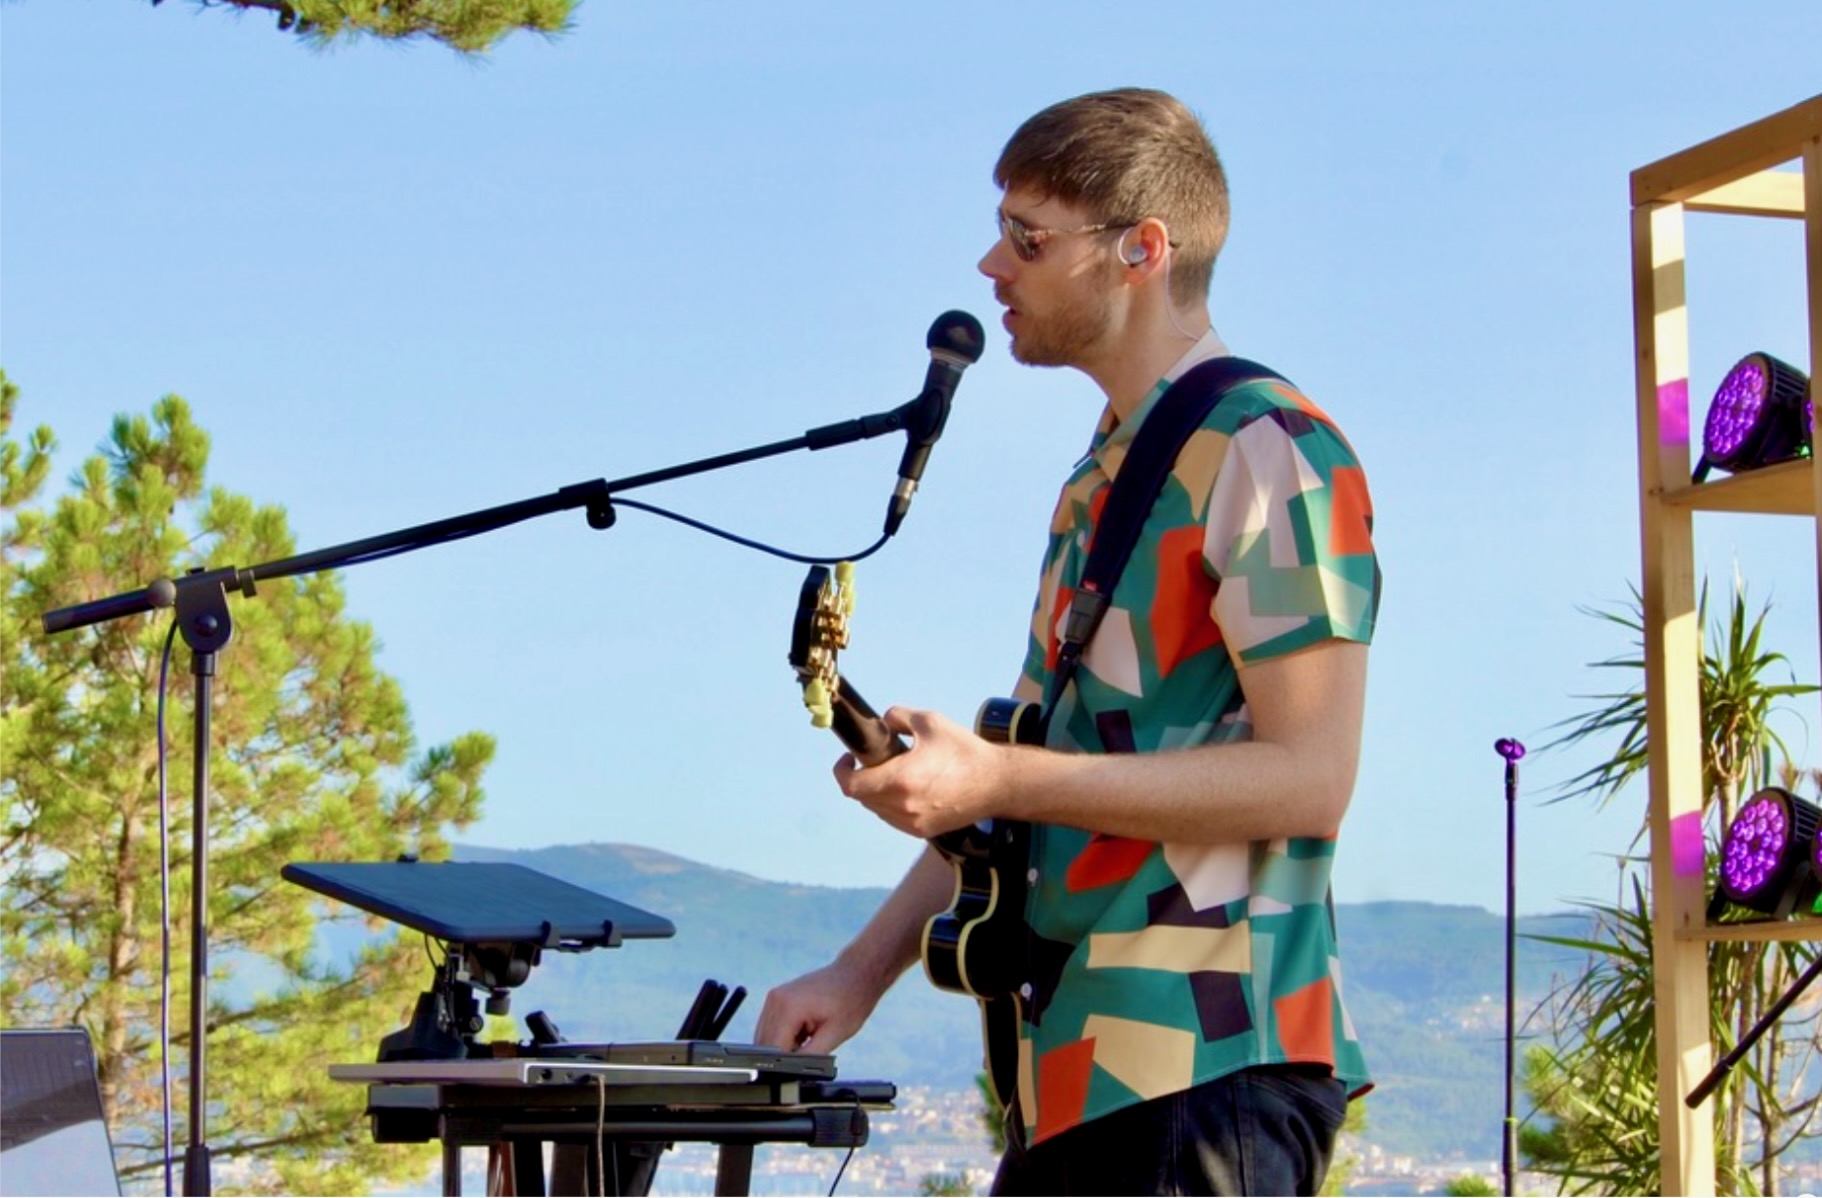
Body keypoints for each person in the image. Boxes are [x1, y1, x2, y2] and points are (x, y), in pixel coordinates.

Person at [756, 87, 1379, 1197]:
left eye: (1026, 237)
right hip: (1078, 1075)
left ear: (1140, 250)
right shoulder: (1105, 474)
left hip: (1202, 1067)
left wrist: (998, 772)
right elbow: (1029, 781)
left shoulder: (1270, 447)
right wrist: (859, 971)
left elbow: (1311, 776)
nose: (991, 265)